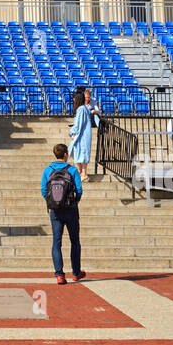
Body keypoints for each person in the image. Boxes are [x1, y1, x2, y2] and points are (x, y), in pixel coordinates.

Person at [41, 143, 85, 284]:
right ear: (65, 154)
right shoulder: (72, 170)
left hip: (55, 211)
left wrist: (53, 202)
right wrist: (75, 201)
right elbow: (79, 190)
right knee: (75, 241)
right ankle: (76, 272)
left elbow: (43, 190)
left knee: (56, 242)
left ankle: (59, 274)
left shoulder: (48, 170)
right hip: (71, 209)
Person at [69, 89, 98, 174]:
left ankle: (83, 173)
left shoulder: (81, 109)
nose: (73, 100)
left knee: (79, 152)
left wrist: (72, 132)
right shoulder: (83, 108)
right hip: (83, 133)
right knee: (77, 152)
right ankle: (81, 171)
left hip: (81, 134)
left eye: (74, 98)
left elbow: (79, 124)